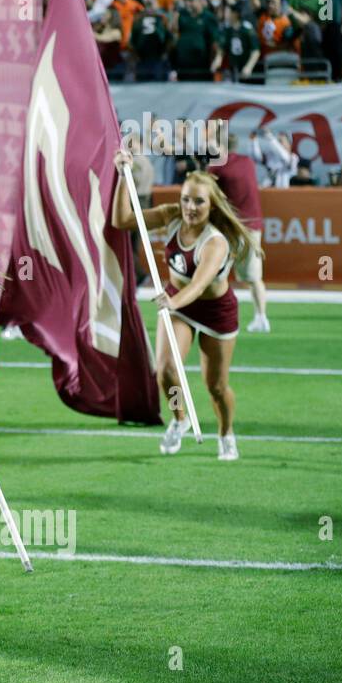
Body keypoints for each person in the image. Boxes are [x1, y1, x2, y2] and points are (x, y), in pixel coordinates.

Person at [111, 149, 262, 461]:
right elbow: (123, 220)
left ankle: (226, 433)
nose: (190, 207)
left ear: (211, 204)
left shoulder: (216, 241)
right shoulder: (172, 216)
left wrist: (172, 300)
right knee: (165, 370)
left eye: (198, 201)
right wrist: (122, 176)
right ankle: (180, 419)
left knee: (216, 387)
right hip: (178, 306)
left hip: (214, 311)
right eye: (186, 199)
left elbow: (198, 285)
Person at [211, 132, 270, 332]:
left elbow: (209, 196)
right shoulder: (248, 162)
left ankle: (217, 315)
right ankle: (262, 317)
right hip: (252, 226)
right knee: (254, 278)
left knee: (215, 274)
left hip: (230, 229)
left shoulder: (218, 167)